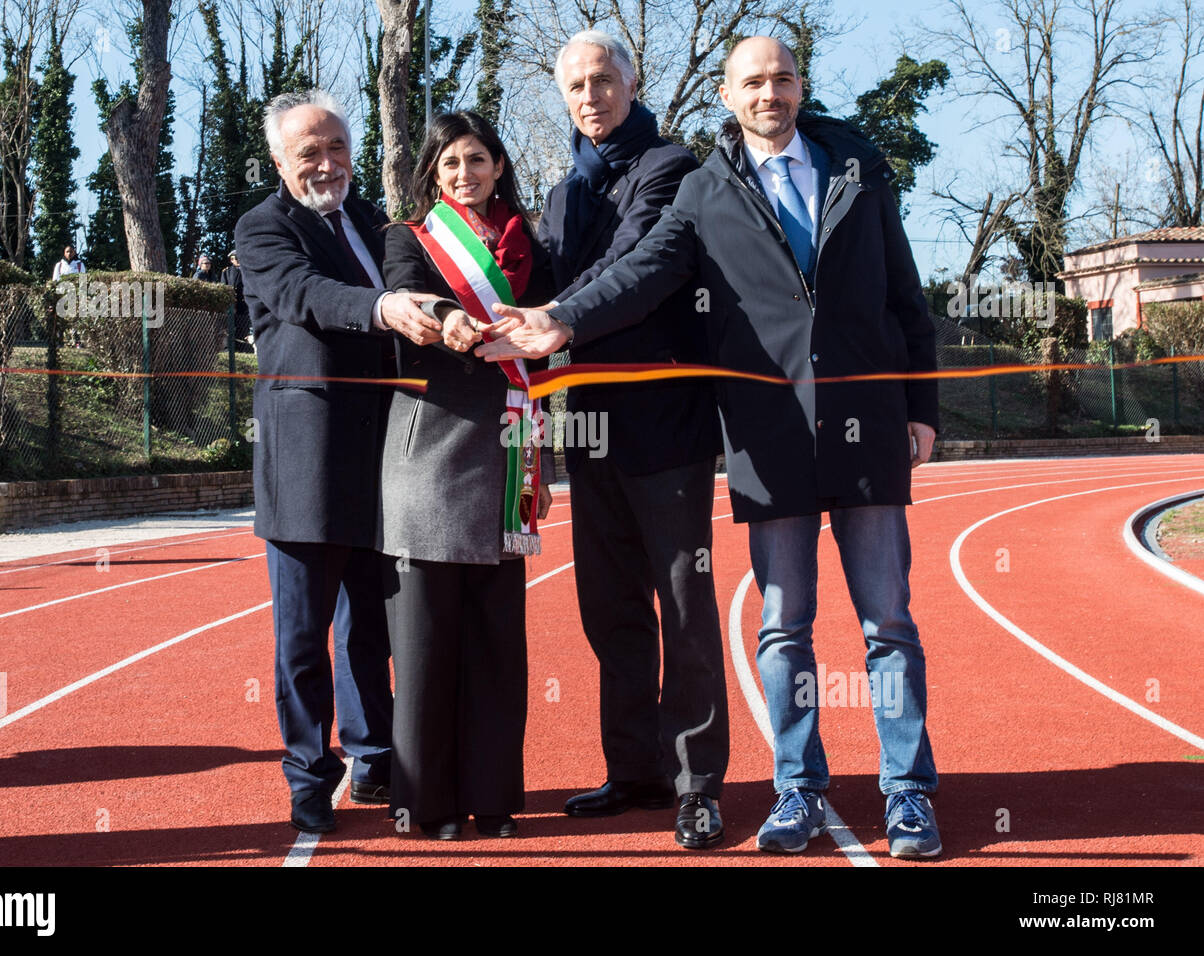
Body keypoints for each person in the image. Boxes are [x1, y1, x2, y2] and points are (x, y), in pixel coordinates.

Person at [479, 36, 943, 859]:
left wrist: (922, 406)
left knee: (888, 623)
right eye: (752, 82)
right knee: (783, 627)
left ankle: (908, 793)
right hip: (767, 437)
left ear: (799, 86)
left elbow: (905, 295)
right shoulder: (703, 189)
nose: (770, 92)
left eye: (782, 78)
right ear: (726, 95)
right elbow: (647, 269)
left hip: (866, 423)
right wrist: (561, 322)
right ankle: (797, 791)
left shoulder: (861, 168)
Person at [233, 88, 443, 834]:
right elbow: (305, 294)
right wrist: (383, 308)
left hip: (386, 452)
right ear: (280, 162)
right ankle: (306, 772)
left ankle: (373, 753)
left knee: (371, 625)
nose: (328, 164)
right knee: (302, 634)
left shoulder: (373, 220)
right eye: (309, 153)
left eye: (337, 148)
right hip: (307, 462)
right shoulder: (262, 229)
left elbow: (416, 282)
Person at [538, 30, 728, 850]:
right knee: (609, 609)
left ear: (632, 80)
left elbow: (632, 265)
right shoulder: (559, 194)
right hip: (589, 428)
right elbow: (533, 274)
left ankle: (695, 785)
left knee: (683, 610)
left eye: (603, 79)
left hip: (668, 430)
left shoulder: (673, 169)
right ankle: (634, 770)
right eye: (576, 85)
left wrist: (542, 319)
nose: (591, 96)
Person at [378, 110, 554, 840]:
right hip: (432, 460)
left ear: (498, 166)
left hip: (512, 451)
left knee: (496, 642)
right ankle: (426, 801)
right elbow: (407, 301)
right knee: (425, 645)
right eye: (449, 164)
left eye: (476, 160)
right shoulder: (408, 239)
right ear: (432, 176)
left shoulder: (527, 245)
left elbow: (549, 333)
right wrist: (447, 317)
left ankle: (493, 798)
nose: (464, 174)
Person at [220, 250, 251, 348]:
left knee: (244, 327)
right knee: (230, 327)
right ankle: (230, 348)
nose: (236, 260)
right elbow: (224, 287)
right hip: (232, 304)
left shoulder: (248, 270)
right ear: (231, 260)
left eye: (237, 258)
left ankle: (242, 348)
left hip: (244, 304)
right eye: (233, 258)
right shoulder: (227, 272)